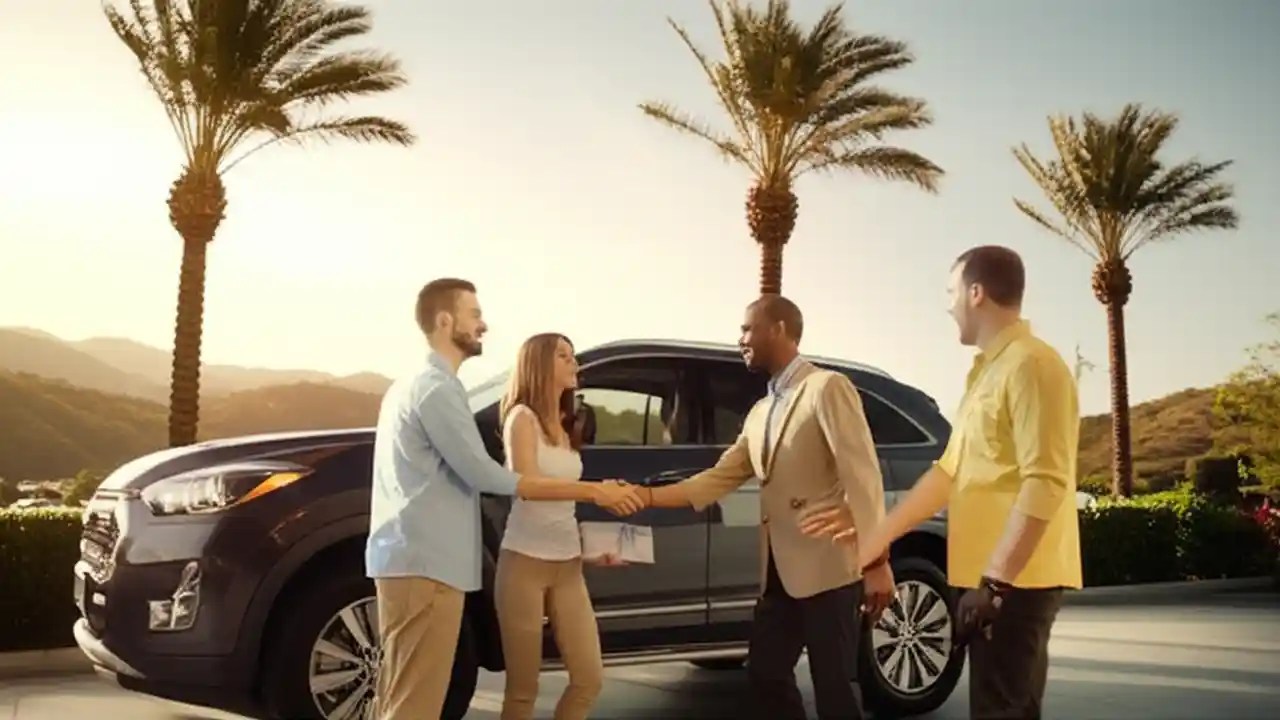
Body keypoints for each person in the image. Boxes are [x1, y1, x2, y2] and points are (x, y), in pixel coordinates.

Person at [800, 245, 1083, 719]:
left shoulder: (1033, 365)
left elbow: (1046, 481)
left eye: (952, 292)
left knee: (1004, 710)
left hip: (1018, 582)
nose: (948, 306)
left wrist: (996, 584)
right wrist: (878, 538)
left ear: (976, 293)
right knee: (995, 708)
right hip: (989, 579)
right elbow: (948, 475)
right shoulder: (987, 374)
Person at [365, 279, 643, 720]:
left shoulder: (414, 385)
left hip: (414, 560)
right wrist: (594, 490)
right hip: (427, 564)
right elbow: (485, 474)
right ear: (445, 321)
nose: (483, 325)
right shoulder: (438, 390)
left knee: (403, 696)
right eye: (474, 314)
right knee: (416, 704)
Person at [631, 294, 896, 720]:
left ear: (778, 329)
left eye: (747, 329)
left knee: (835, 690)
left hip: (829, 568)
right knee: (766, 673)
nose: (740, 339)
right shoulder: (759, 413)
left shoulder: (826, 387)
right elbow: (717, 478)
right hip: (778, 575)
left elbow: (861, 473)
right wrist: (645, 497)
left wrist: (877, 561)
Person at [494, 332, 618, 720]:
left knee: (589, 679)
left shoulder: (567, 427)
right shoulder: (521, 418)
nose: (574, 363)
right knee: (523, 692)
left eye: (572, 355)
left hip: (568, 566)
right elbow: (528, 486)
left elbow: (563, 504)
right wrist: (594, 491)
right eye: (563, 356)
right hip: (523, 564)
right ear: (538, 364)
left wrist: (594, 546)